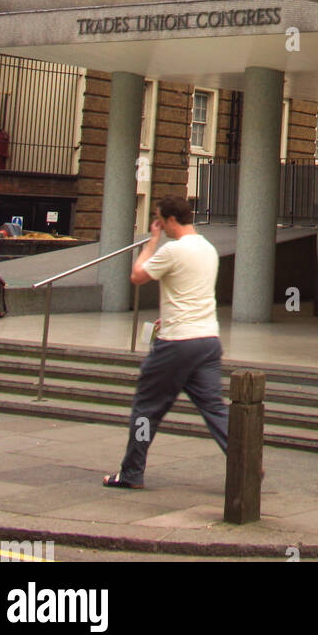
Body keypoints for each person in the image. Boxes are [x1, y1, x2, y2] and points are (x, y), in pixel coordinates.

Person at [103, 196, 228, 490]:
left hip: (176, 344)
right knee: (215, 409)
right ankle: (245, 462)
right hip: (208, 340)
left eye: (160, 219)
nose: (159, 225)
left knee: (146, 409)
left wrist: (151, 241)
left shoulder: (173, 249)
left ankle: (131, 473)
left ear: (171, 220)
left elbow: (137, 276)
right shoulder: (208, 249)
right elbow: (189, 292)